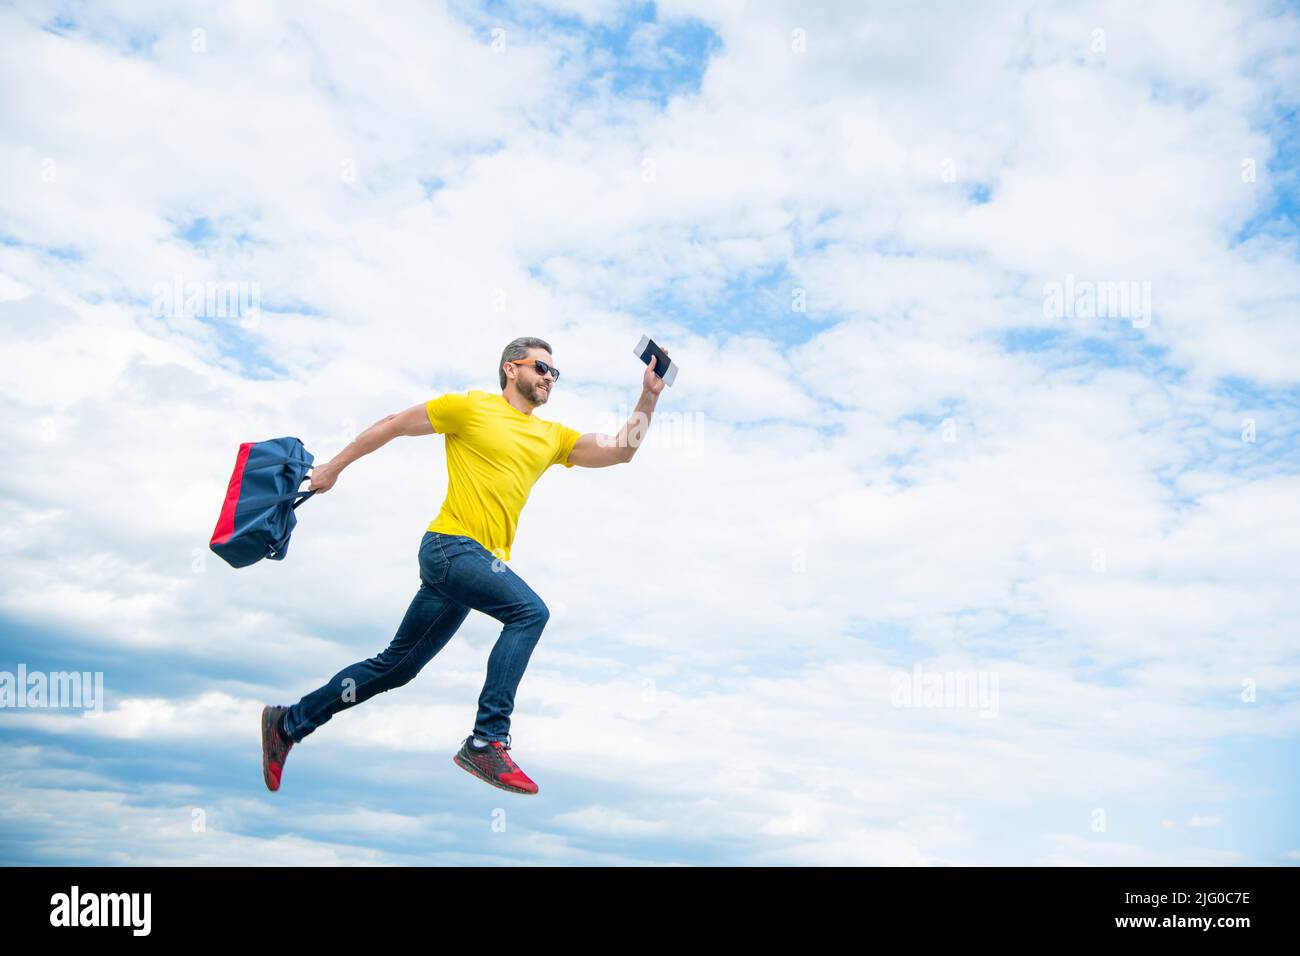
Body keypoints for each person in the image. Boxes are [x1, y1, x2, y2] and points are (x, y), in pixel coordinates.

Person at [261, 336, 668, 795]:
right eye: (541, 368)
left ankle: (289, 723)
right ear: (511, 369)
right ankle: (486, 740)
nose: (550, 378)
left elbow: (621, 449)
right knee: (529, 612)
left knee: (396, 667)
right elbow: (394, 424)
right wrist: (334, 467)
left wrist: (649, 395)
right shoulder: (470, 408)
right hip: (450, 547)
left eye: (555, 373)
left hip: (469, 569)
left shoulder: (552, 436)